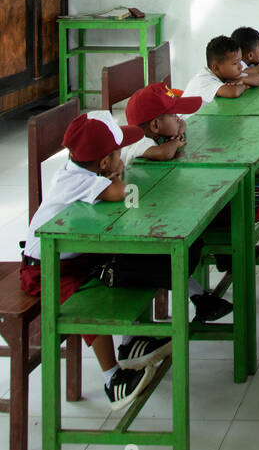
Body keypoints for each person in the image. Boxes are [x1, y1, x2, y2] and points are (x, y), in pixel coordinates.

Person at [20, 112, 172, 409]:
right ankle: (112, 378)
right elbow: (121, 193)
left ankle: (131, 342)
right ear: (104, 163)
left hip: (72, 256)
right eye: (119, 156)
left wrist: (113, 174)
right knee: (87, 306)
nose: (122, 161)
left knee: (121, 262)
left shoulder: (81, 170)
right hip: (46, 269)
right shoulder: (79, 180)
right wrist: (118, 179)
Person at [120, 82, 203, 163]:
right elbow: (164, 153)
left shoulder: (157, 133)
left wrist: (179, 133)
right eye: (174, 115)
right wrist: (175, 143)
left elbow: (182, 123)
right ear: (155, 125)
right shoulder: (139, 141)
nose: (178, 118)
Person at [184, 35, 259, 102]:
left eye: (240, 61)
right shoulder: (204, 80)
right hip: (187, 120)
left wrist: (242, 80)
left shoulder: (228, 75)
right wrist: (244, 86)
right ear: (216, 68)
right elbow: (234, 92)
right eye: (235, 63)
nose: (240, 66)